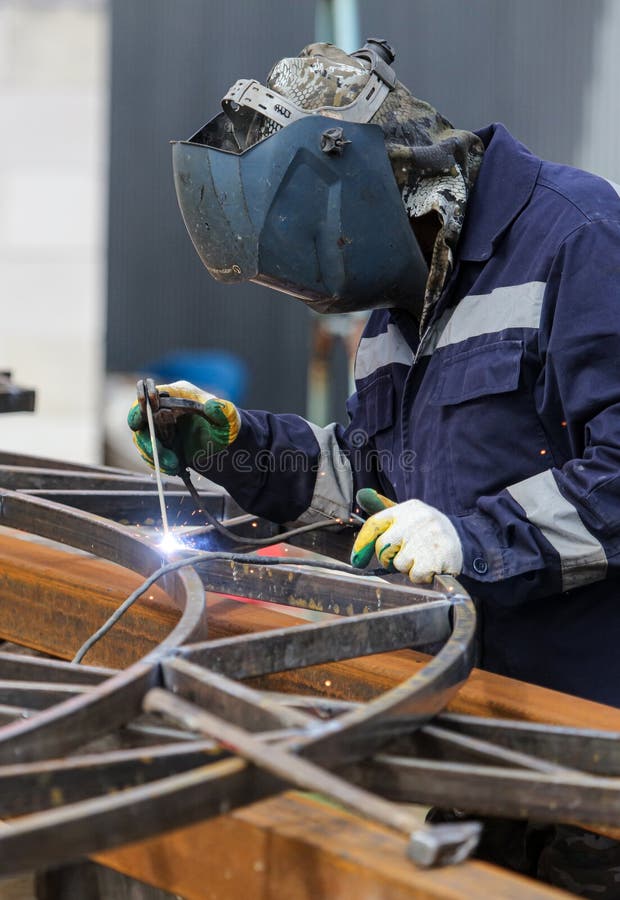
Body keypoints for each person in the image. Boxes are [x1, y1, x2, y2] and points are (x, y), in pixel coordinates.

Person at [128, 40, 620, 895]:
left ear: (364, 183)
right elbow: (365, 480)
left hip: (597, 734)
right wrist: (233, 445)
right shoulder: (399, 310)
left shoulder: (575, 236)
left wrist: (473, 540)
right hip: (480, 723)